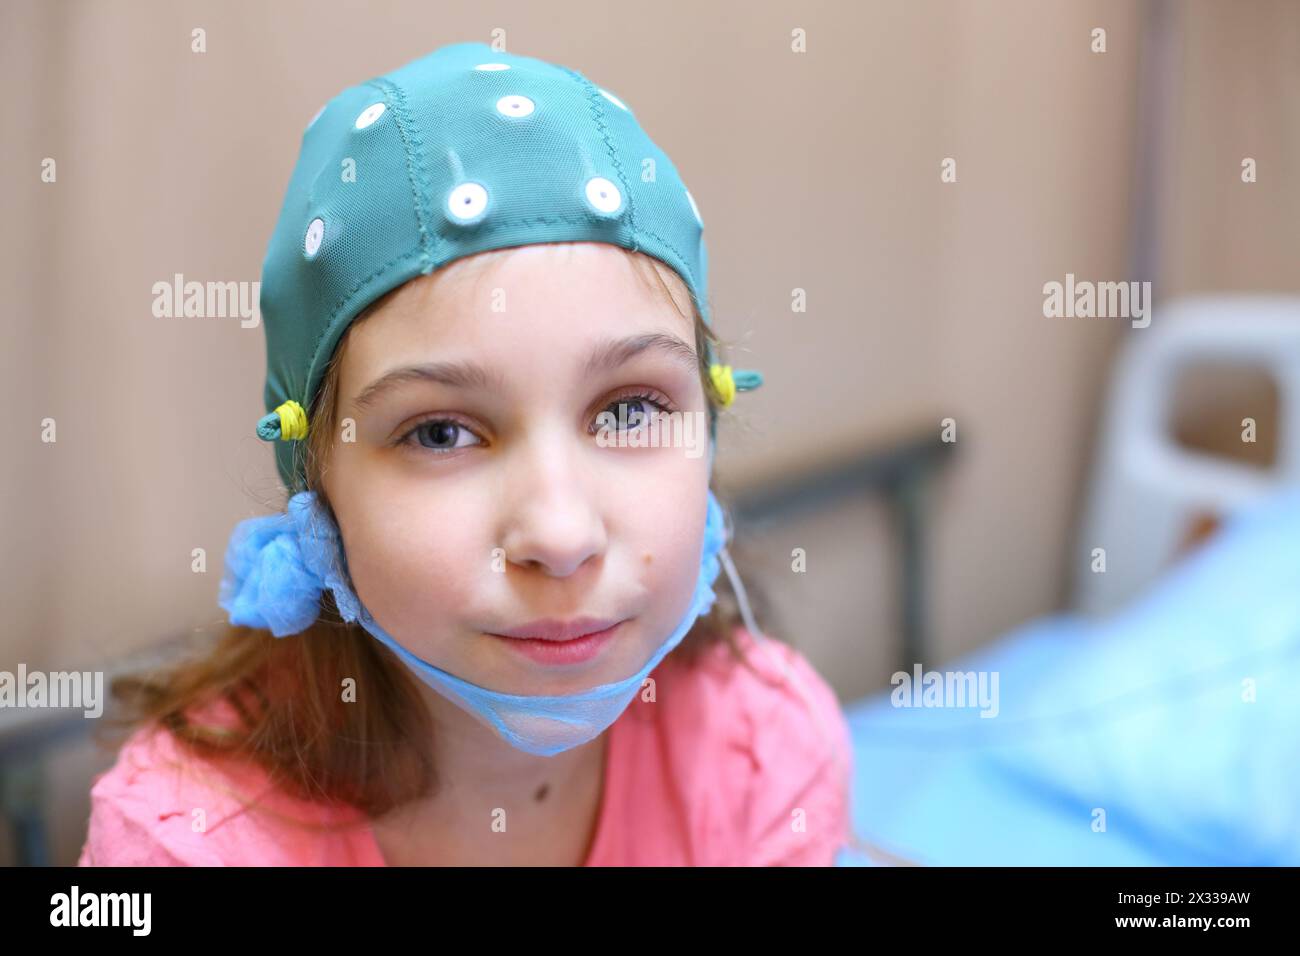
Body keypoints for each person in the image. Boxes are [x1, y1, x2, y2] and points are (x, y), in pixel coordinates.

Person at [77, 41, 854, 866]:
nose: (559, 537)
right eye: (441, 432)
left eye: (630, 409)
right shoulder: (185, 842)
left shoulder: (763, 759)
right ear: (318, 486)